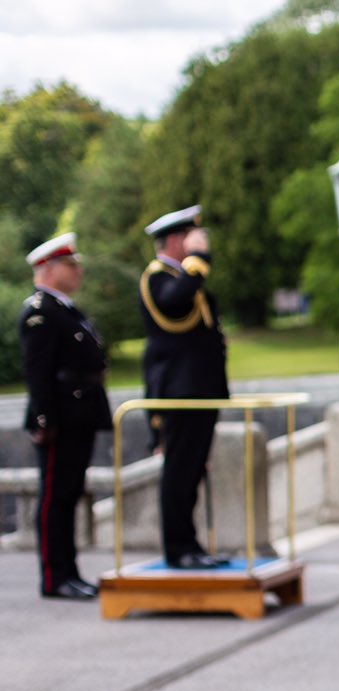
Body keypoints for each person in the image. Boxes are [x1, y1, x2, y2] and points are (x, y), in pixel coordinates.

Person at [17, 233, 112, 600]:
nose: (78, 272)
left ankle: (69, 571)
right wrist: (44, 419)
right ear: (49, 269)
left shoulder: (65, 309)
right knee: (55, 497)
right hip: (59, 416)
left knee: (69, 495)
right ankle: (55, 576)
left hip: (80, 411)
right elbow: (37, 372)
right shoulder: (40, 312)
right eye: (71, 265)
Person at [138, 205, 230, 569]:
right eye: (193, 238)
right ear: (176, 240)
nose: (200, 242)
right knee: (178, 474)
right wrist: (198, 260)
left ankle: (191, 546)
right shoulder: (157, 277)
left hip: (199, 390)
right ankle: (178, 550)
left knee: (192, 472)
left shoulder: (181, 276)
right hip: (178, 392)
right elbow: (173, 305)